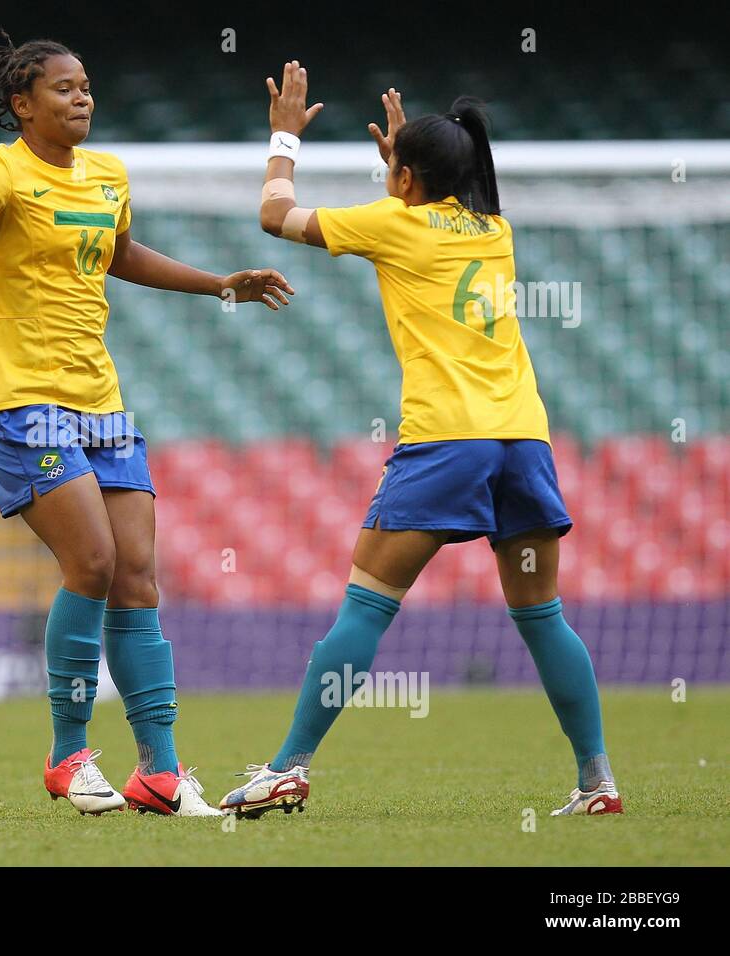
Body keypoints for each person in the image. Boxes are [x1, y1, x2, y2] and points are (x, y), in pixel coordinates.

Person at [0, 32, 294, 816]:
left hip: (101, 403)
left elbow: (119, 254)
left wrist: (221, 284)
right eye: (64, 88)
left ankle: (161, 771)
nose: (82, 98)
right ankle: (68, 756)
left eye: (87, 86)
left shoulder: (108, 175)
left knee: (138, 576)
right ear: (23, 104)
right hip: (20, 401)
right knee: (92, 561)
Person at [221, 61, 621, 818]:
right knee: (543, 616)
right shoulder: (494, 231)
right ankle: (599, 782)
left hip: (446, 442)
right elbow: (439, 205)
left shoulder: (395, 222)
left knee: (366, 607)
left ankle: (287, 768)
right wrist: (407, 169)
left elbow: (275, 215)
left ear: (403, 178)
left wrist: (285, 136)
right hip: (523, 442)